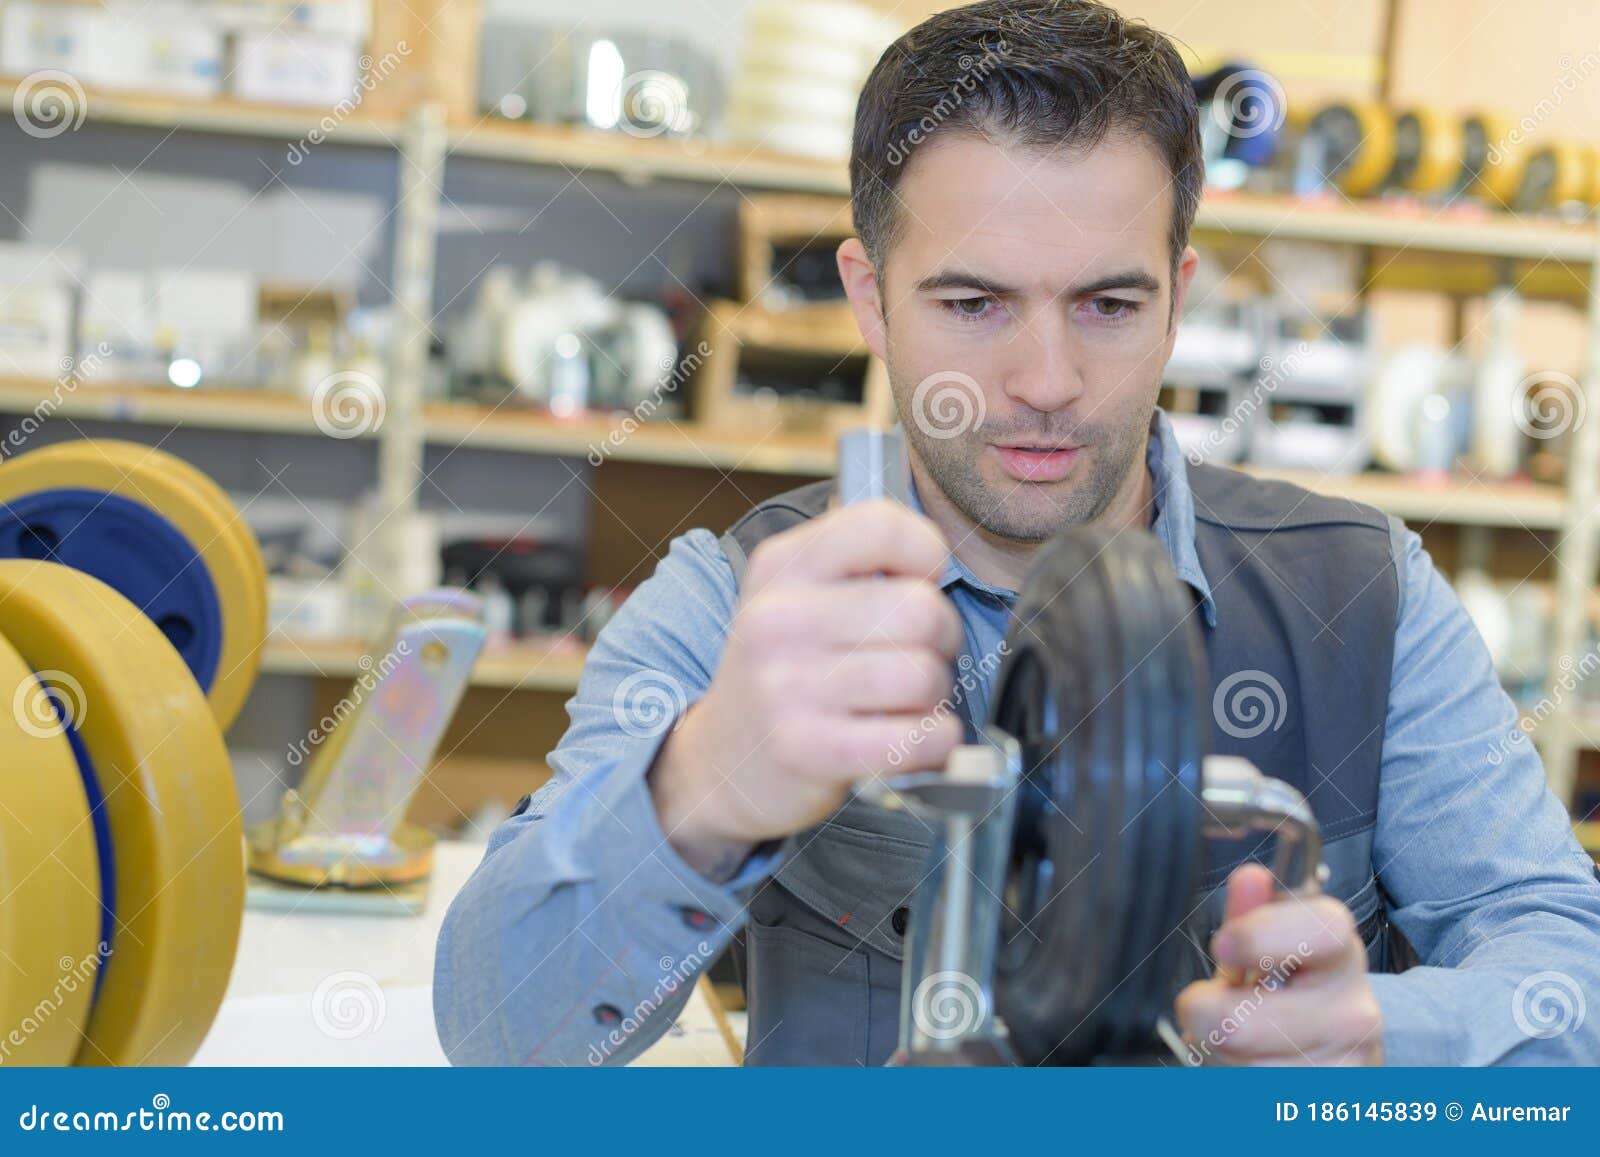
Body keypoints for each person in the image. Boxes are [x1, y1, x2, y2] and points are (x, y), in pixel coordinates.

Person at [434, 0, 1600, 1066]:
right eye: (973, 302)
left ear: (1177, 300)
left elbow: (1567, 970)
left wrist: (1381, 1032)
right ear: (869, 296)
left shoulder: (1362, 592)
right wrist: (702, 787)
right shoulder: (742, 608)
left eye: (1108, 304)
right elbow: (499, 1043)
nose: (1045, 380)